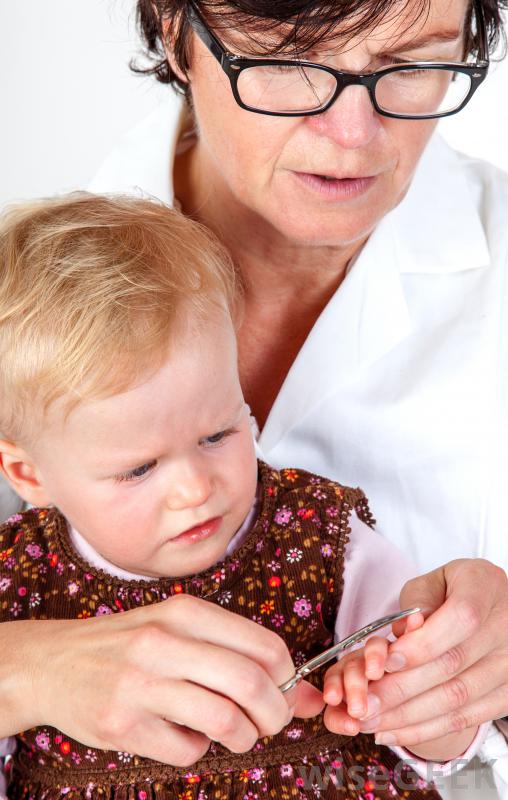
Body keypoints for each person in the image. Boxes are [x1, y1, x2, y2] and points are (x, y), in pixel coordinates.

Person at [1, 0, 508, 796]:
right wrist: (21, 673)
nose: (352, 134)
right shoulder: (18, 313)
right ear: (174, 28)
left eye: (409, 63)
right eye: (291, 59)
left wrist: (476, 688)